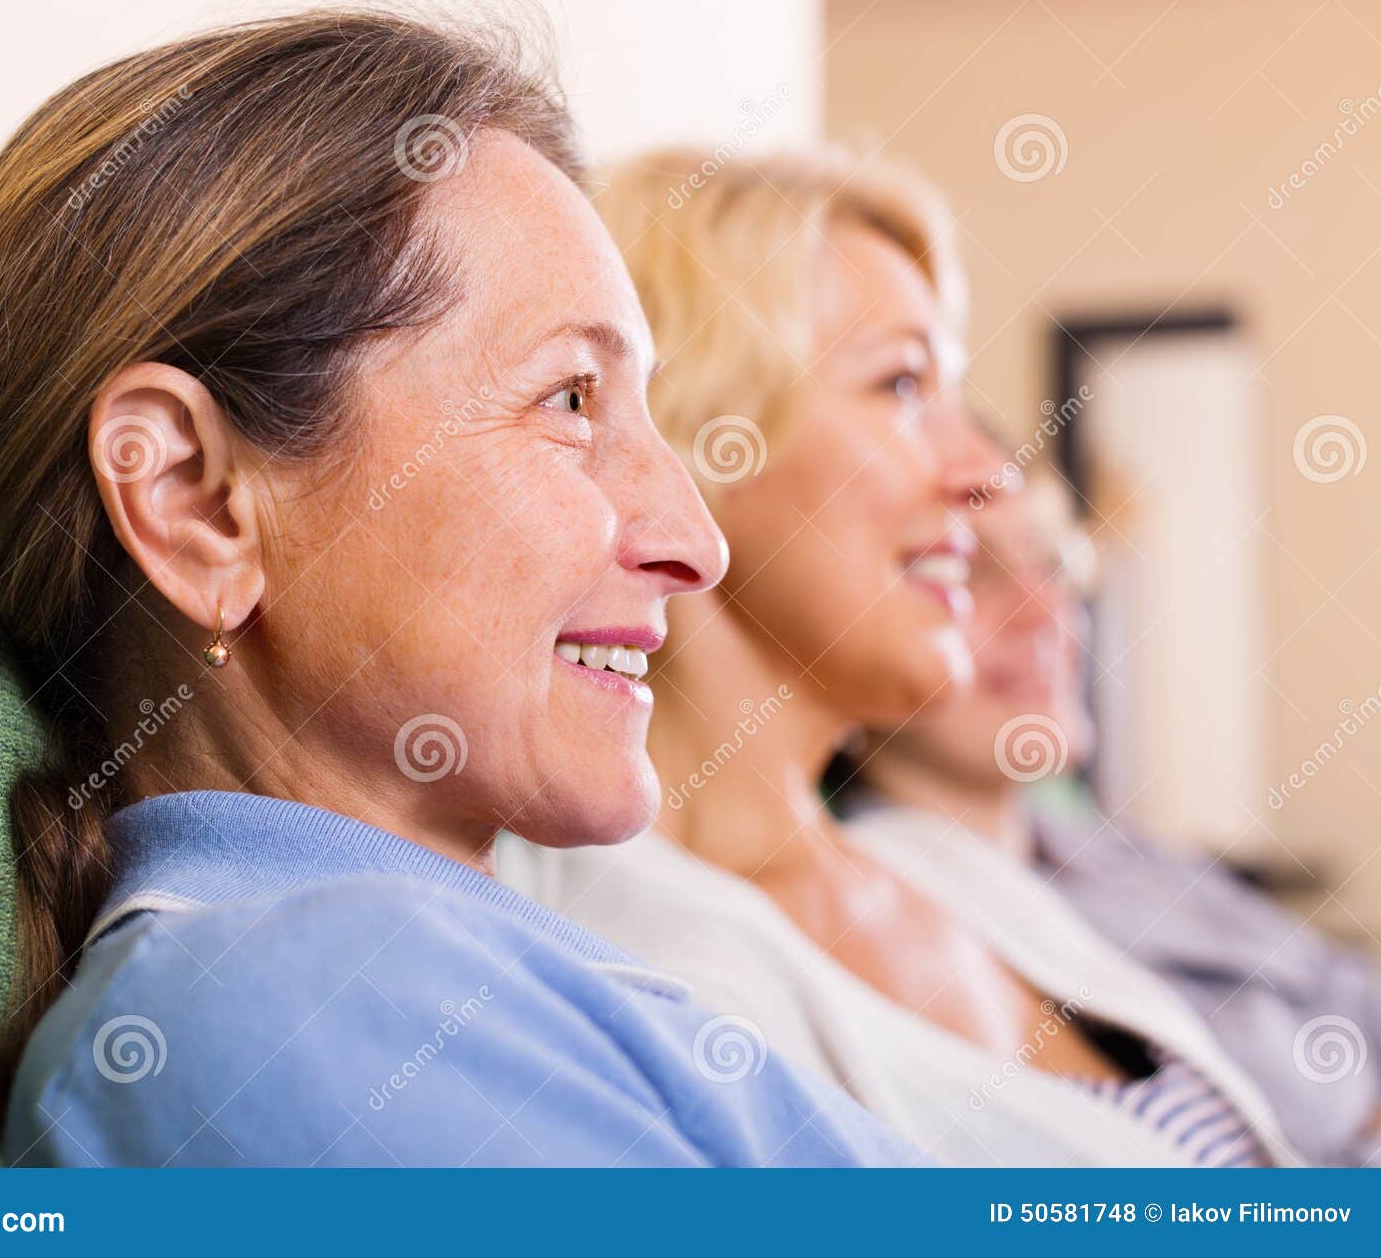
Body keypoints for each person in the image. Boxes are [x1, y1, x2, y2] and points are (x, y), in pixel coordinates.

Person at [0, 11, 914, 1168]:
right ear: (196, 499)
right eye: (572, 399)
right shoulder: (278, 1019)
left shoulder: (412, 980)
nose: (694, 543)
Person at [499, 147, 1297, 1166]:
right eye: (902, 383)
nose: (983, 471)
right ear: (698, 437)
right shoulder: (632, 970)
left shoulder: (943, 865)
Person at [837, 470, 1381, 1167]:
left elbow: (1349, 988)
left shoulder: (1112, 853)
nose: (1047, 610)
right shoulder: (882, 930)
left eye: (1054, 565)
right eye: (967, 573)